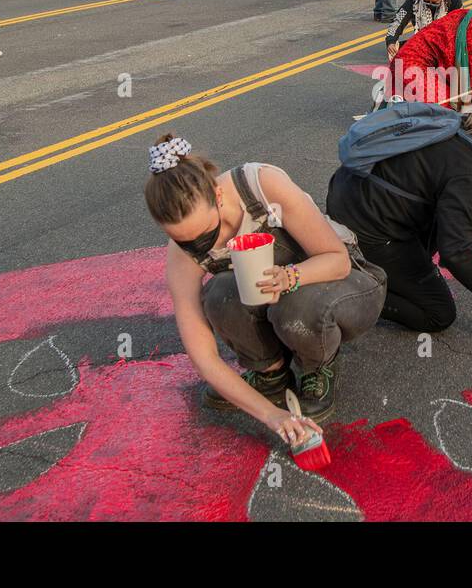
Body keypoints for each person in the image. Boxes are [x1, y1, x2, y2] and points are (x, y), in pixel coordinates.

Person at [144, 135, 388, 425]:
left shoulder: (259, 185)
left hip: (345, 279)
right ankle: (270, 374)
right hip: (278, 295)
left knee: (296, 307)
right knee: (219, 293)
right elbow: (203, 356)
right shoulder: (182, 255)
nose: (202, 246)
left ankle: (317, 367)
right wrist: (271, 415)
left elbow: (337, 261)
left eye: (208, 232)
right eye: (186, 241)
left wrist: (289, 277)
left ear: (218, 195)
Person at [326, 82, 472, 333]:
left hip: (350, 190)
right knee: (438, 312)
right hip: (365, 222)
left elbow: (443, 180)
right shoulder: (470, 173)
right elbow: (455, 252)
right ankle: (346, 288)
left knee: (432, 243)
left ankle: (381, 268)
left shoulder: (470, 128)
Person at [384, 0, 463, 60]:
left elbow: (460, 25)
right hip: (423, 33)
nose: (430, 5)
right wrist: (391, 41)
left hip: (446, 33)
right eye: (426, 1)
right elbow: (399, 19)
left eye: (434, 2)